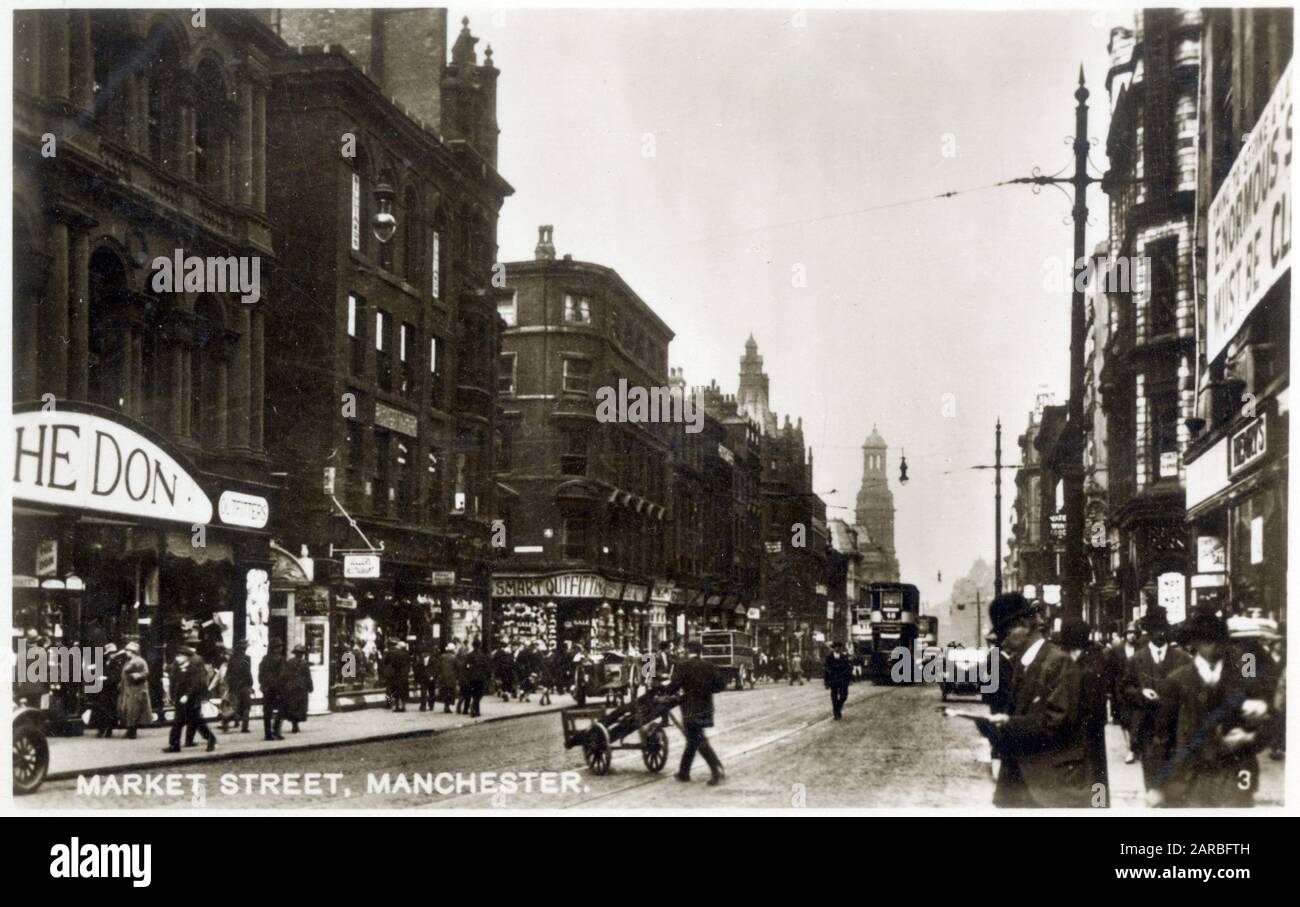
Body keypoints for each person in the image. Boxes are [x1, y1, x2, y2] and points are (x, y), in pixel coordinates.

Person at [976, 593, 1088, 808]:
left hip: (1047, 783)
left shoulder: (1058, 662)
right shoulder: (1021, 664)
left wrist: (1009, 723)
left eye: (1004, 632)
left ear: (1025, 625)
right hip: (1017, 783)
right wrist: (992, 728)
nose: (1002, 641)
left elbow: (1057, 721)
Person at [1150, 610, 1271, 807]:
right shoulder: (1177, 681)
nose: (1215, 647)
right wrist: (1157, 784)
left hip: (1237, 773)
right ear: (1195, 643)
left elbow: (1272, 720)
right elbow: (1163, 737)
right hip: (1194, 775)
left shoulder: (1244, 673)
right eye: (1208, 641)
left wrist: (1252, 734)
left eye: (1218, 640)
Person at [1121, 607, 1190, 791]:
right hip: (1147, 730)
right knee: (1152, 785)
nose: (1160, 633)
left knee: (1176, 786)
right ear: (1149, 632)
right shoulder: (1136, 660)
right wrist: (1141, 693)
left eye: (1163, 629)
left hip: (1176, 731)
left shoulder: (1182, 658)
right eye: (1156, 630)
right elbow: (1126, 688)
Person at [1059, 619, 1110, 806]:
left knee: (1095, 771)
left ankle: (1099, 805)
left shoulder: (1094, 657)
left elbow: (1100, 691)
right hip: (1070, 723)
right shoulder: (1065, 657)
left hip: (1090, 724)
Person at [663, 641, 727, 785]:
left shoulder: (683, 666)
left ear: (688, 651)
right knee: (693, 739)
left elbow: (674, 686)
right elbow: (721, 685)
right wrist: (707, 690)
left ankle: (715, 770)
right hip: (705, 708)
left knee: (696, 739)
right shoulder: (709, 666)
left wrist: (665, 693)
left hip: (689, 708)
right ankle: (684, 773)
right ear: (700, 652)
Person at [164, 646, 217, 753]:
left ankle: (211, 739)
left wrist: (187, 695)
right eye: (177, 656)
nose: (177, 658)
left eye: (180, 656)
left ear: (186, 657)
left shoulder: (194, 669)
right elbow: (174, 684)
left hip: (193, 699)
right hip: (180, 700)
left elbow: (196, 684)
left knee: (197, 721)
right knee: (178, 722)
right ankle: (174, 746)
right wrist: (172, 696)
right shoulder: (176, 668)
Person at [1104, 621, 1140, 762]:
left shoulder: (1140, 650)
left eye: (1134, 633)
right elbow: (1110, 671)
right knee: (1124, 720)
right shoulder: (1116, 650)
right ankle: (1130, 748)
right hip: (1120, 690)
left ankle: (1134, 746)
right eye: (1129, 633)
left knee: (1136, 718)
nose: (1131, 636)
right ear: (1125, 635)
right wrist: (1109, 690)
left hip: (1136, 688)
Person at [117, 641, 152, 739]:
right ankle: (130, 730)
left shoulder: (139, 661)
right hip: (128, 689)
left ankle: (132, 731)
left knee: (133, 710)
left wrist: (136, 676)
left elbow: (145, 673)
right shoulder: (129, 661)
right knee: (129, 710)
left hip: (136, 689)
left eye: (128, 651)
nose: (126, 652)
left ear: (133, 651)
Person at [88, 643, 121, 737]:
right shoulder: (104, 662)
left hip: (111, 690)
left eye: (113, 653)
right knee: (101, 710)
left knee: (110, 710)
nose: (112, 655)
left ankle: (109, 730)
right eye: (111, 653)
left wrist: (106, 679)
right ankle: (101, 729)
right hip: (103, 690)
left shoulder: (117, 663)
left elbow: (117, 677)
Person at [221, 640, 254, 733]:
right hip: (244, 686)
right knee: (246, 706)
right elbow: (248, 673)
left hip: (234, 686)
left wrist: (229, 685)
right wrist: (250, 684)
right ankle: (244, 727)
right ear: (245, 648)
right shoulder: (247, 658)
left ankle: (226, 721)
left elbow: (228, 673)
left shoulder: (232, 659)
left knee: (234, 705)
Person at [281, 644, 314, 732]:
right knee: (300, 706)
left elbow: (285, 675)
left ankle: (294, 724)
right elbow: (308, 676)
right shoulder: (304, 663)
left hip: (291, 687)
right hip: (301, 687)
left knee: (293, 705)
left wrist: (285, 685)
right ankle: (296, 725)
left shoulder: (289, 662)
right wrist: (310, 686)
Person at [259, 642, 286, 740]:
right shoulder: (281, 659)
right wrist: (281, 688)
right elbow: (282, 675)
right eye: (279, 647)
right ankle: (276, 730)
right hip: (277, 688)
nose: (281, 648)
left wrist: (263, 684)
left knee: (267, 712)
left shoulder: (265, 659)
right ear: (276, 648)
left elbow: (260, 674)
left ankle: (268, 734)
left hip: (267, 688)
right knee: (282, 709)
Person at [824, 641, 853, 720]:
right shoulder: (829, 657)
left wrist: (849, 679)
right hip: (833, 680)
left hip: (843, 680)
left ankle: (838, 708)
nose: (837, 649)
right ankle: (836, 713)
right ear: (833, 648)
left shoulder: (844, 657)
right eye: (836, 647)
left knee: (844, 696)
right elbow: (826, 670)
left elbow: (848, 668)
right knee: (834, 697)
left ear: (840, 648)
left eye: (839, 647)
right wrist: (826, 682)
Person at [384, 640, 411, 712]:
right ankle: (403, 706)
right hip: (404, 675)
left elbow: (386, 662)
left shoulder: (391, 653)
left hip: (394, 675)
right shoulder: (406, 654)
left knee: (391, 690)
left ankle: (390, 704)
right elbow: (408, 665)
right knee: (403, 691)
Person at [465, 640, 489, 717]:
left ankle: (476, 710)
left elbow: (466, 667)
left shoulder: (469, 655)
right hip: (480, 678)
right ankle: (474, 708)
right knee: (479, 694)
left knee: (474, 694)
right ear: (480, 646)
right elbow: (486, 667)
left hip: (471, 678)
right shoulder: (483, 656)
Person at [416, 644, 437, 711]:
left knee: (431, 692)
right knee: (423, 692)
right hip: (423, 678)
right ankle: (423, 706)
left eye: (425, 653)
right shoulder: (420, 660)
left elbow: (435, 669)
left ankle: (431, 705)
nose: (423, 654)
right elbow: (418, 669)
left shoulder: (433, 660)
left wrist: (433, 676)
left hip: (431, 678)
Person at [438, 643, 458, 713]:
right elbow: (457, 667)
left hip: (443, 677)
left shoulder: (442, 656)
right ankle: (448, 706)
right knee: (450, 692)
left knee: (445, 691)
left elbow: (439, 666)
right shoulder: (454, 657)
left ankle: (446, 706)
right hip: (451, 678)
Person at [454, 641, 471, 714]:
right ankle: (465, 709)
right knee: (467, 695)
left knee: (462, 694)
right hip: (466, 678)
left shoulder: (457, 659)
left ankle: (459, 707)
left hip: (460, 678)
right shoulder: (466, 659)